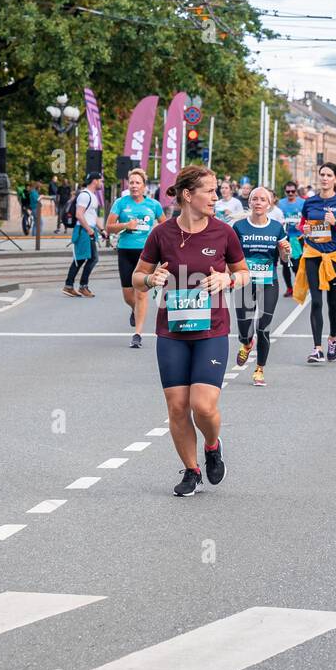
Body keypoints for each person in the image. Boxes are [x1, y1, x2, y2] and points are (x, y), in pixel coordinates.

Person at [133, 165, 249, 497]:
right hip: (171, 331)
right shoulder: (162, 234)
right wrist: (151, 279)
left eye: (216, 191)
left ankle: (212, 446)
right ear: (188, 195)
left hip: (211, 330)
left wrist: (227, 278)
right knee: (177, 406)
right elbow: (137, 277)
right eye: (209, 191)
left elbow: (244, 275)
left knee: (203, 405)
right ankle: (192, 469)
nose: (216, 197)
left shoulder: (223, 232)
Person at [293, 161, 336, 364]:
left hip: (334, 258)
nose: (324, 178)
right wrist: (303, 230)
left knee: (332, 302)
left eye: (329, 175)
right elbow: (303, 225)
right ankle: (317, 348)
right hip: (313, 255)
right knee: (316, 301)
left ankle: (332, 337)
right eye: (322, 174)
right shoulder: (310, 202)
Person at [232, 188, 290, 386]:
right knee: (243, 328)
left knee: (263, 327)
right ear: (249, 203)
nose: (258, 202)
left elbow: (284, 259)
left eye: (262, 199)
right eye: (254, 198)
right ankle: (246, 344)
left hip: (268, 282)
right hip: (245, 283)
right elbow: (231, 256)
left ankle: (259, 369)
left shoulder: (276, 228)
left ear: (269, 204)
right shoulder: (238, 227)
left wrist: (285, 252)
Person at [106, 168, 165, 348]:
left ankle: (137, 334)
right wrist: (126, 225)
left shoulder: (153, 205)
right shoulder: (121, 203)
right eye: (131, 182)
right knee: (128, 295)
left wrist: (156, 235)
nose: (134, 186)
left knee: (141, 294)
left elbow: (165, 225)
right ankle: (134, 310)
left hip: (146, 254)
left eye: (137, 182)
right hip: (125, 250)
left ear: (144, 186)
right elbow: (109, 226)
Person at [64, 172, 104, 297]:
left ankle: (70, 285)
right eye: (100, 181)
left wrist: (102, 230)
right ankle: (80, 286)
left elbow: (93, 216)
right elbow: (79, 214)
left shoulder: (92, 196)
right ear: (95, 181)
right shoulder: (85, 196)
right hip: (83, 230)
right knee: (89, 258)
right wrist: (89, 230)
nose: (101, 183)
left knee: (83, 259)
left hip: (88, 230)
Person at [277, 182, 305, 297]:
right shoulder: (280, 204)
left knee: (297, 264)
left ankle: (299, 287)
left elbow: (307, 217)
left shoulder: (302, 203)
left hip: (298, 237)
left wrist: (302, 224)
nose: (290, 194)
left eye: (293, 191)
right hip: (285, 237)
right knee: (285, 264)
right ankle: (289, 288)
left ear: (296, 191)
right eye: (288, 192)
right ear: (285, 192)